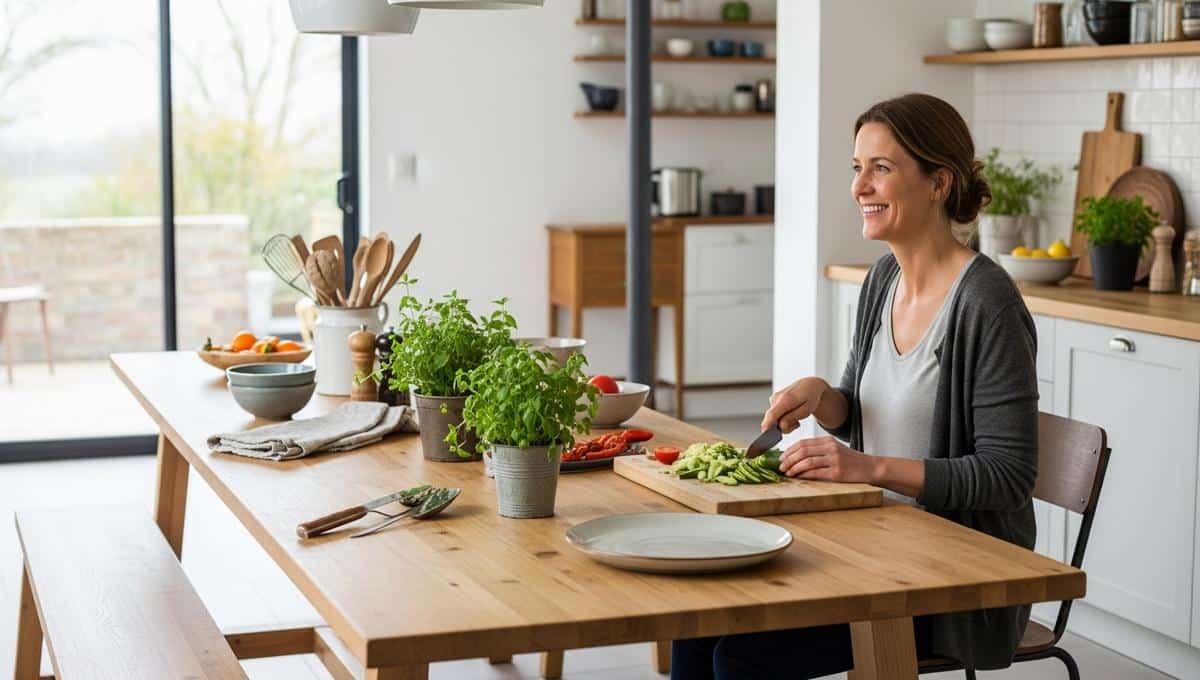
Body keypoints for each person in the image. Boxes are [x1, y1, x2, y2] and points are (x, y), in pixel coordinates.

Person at [671, 93, 1039, 679]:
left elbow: (1008, 475)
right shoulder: (884, 278)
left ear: (939, 182)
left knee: (741, 656)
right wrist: (823, 396)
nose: (859, 186)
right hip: (871, 540)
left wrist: (866, 468)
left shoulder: (986, 302)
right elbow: (858, 409)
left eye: (881, 169)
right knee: (695, 621)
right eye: (856, 168)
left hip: (953, 580)